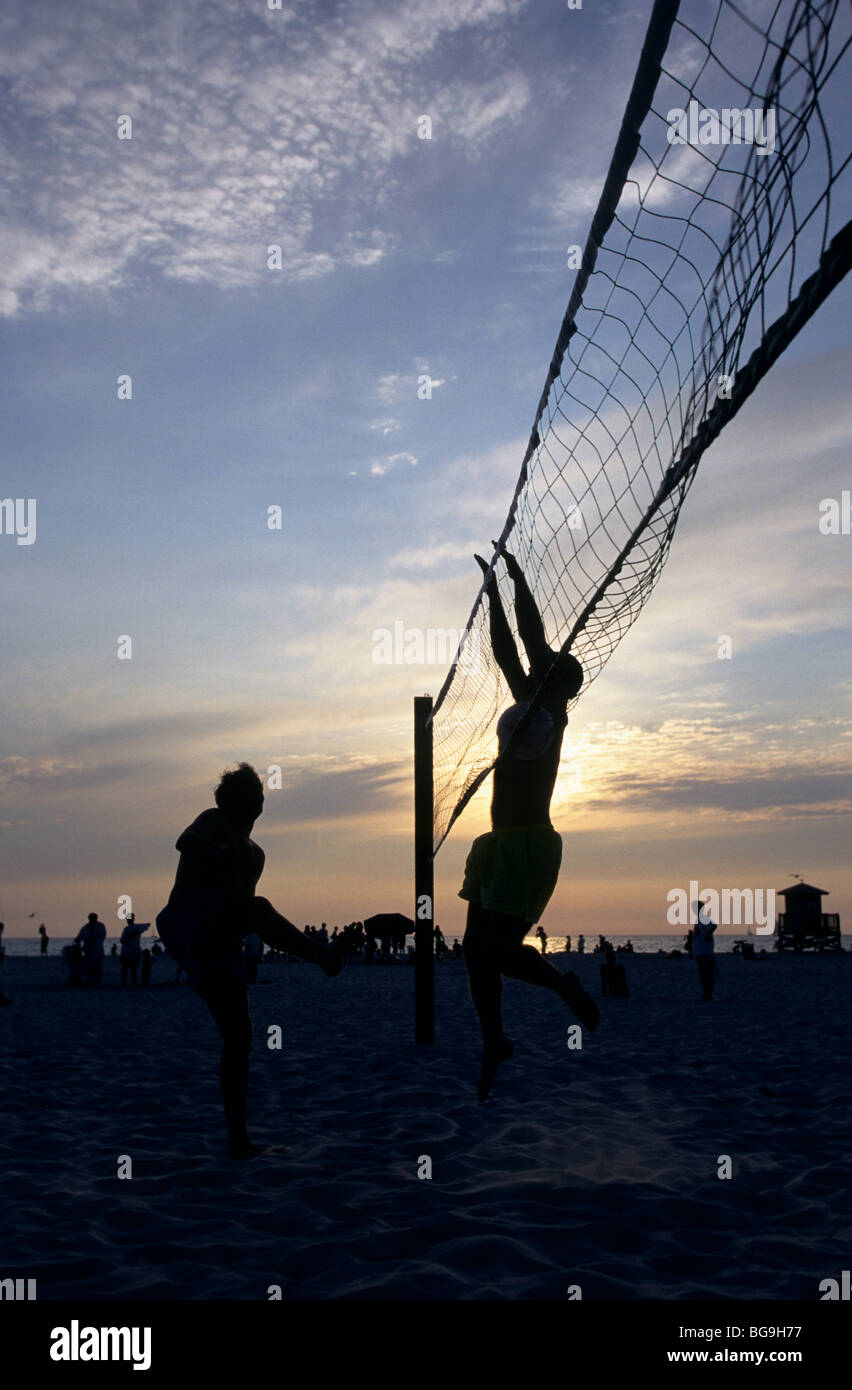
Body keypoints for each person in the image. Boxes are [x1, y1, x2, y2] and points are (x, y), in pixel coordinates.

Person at [460, 545, 600, 1101]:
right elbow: (503, 648)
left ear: (559, 680)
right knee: (475, 955)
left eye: (548, 664)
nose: (540, 662)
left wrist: (517, 577)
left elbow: (531, 635)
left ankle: (559, 982)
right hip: (495, 844)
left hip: (528, 847)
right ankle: (494, 1040)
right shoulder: (527, 695)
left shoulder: (552, 710)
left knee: (493, 953)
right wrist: (493, 588)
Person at [155, 762, 343, 1159]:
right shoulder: (213, 822)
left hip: (220, 940)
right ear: (229, 801)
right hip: (187, 925)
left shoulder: (256, 854)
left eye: (258, 794)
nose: (256, 799)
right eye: (248, 793)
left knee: (240, 1036)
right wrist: (219, 852)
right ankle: (321, 953)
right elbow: (184, 843)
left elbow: (241, 908)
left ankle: (237, 1139)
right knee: (257, 910)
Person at [692, 899, 718, 1001]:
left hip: (704, 951)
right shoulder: (700, 919)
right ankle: (707, 994)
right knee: (705, 974)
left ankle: (708, 995)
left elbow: (714, 926)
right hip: (701, 951)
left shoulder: (703, 918)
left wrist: (707, 934)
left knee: (706, 974)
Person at [75, 913, 107, 986]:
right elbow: (80, 936)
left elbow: (102, 936)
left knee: (98, 966)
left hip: (97, 949)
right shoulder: (85, 927)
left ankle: (98, 980)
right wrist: (77, 940)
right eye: (90, 918)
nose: (91, 920)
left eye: (93, 918)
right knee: (88, 965)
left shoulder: (100, 926)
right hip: (88, 949)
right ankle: (89, 980)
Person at [119, 915, 144, 987]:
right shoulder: (137, 929)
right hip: (133, 950)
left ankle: (125, 982)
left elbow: (122, 940)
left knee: (126, 968)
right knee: (132, 968)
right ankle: (133, 982)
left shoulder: (128, 929)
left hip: (129, 950)